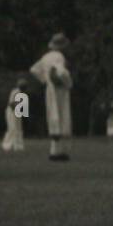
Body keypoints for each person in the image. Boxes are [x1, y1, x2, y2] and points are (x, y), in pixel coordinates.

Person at [30, 33, 73, 161]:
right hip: (59, 90)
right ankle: (58, 151)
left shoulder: (46, 57)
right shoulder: (59, 56)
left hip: (50, 90)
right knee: (61, 116)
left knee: (53, 117)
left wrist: (45, 80)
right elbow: (59, 72)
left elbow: (34, 70)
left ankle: (56, 150)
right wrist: (66, 82)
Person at [2, 75, 27, 152]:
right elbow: (11, 104)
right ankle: (7, 145)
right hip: (11, 112)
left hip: (17, 112)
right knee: (12, 128)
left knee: (19, 128)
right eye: (23, 86)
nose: (24, 87)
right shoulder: (15, 92)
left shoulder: (23, 94)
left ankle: (18, 146)